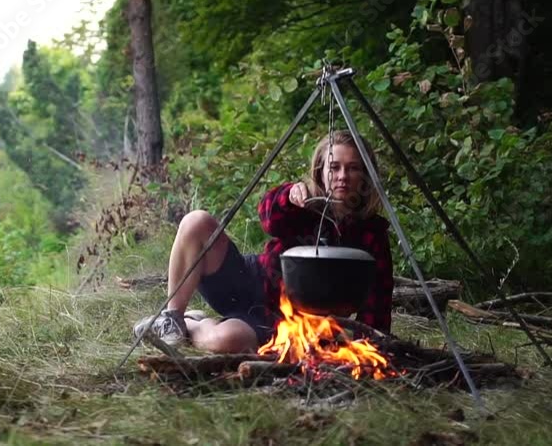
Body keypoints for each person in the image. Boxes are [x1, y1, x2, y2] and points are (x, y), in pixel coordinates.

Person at [132, 130, 394, 353]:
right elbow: (269, 220)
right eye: (334, 167)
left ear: (365, 175)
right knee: (196, 222)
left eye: (353, 168)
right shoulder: (304, 202)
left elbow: (378, 298)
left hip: (277, 319)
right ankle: (172, 319)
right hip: (248, 280)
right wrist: (289, 196)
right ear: (321, 170)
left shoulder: (370, 234)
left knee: (227, 340)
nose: (342, 176)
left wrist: (370, 347)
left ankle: (192, 324)